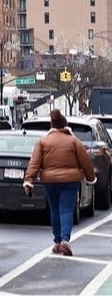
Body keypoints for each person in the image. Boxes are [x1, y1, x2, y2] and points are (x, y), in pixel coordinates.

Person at [23, 108, 96, 256]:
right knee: (66, 210)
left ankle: (57, 242)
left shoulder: (42, 142)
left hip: (49, 181)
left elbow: (34, 163)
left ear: (52, 126)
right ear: (65, 126)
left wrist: (29, 181)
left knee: (55, 210)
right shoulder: (74, 141)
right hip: (70, 181)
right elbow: (85, 162)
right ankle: (65, 241)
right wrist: (90, 178)